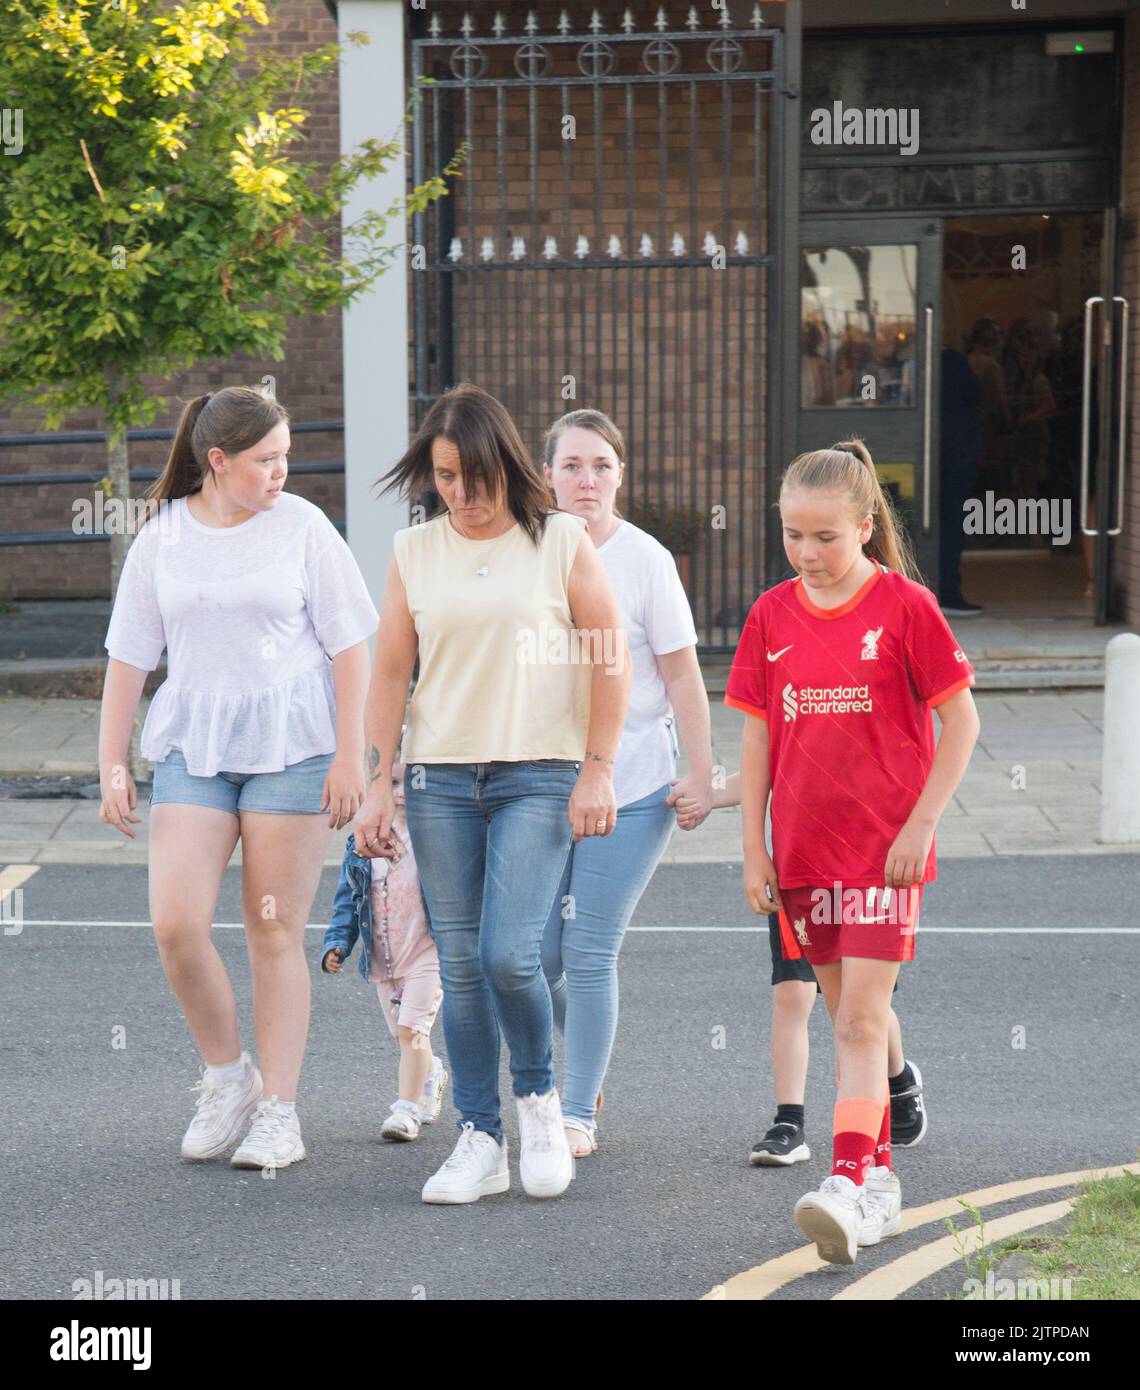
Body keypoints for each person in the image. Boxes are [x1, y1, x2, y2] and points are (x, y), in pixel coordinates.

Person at [354, 383, 630, 1205]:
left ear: (505, 465)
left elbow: (609, 655)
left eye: (472, 475)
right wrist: (378, 780)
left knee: (511, 953)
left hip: (538, 775)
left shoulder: (561, 542)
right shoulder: (415, 552)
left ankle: (538, 1103)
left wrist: (600, 767)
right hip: (439, 779)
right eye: (443, 477)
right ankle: (478, 1134)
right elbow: (391, 672)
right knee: (464, 966)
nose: (460, 493)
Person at [98, 385, 379, 1169]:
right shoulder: (164, 537)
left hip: (294, 750)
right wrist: (111, 759)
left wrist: (353, 755)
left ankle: (280, 1114)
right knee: (176, 924)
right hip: (196, 747)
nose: (282, 471)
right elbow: (128, 653)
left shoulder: (304, 528)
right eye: (267, 460)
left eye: (287, 456)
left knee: (272, 931)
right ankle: (229, 1077)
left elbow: (352, 645)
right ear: (217, 461)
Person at [724, 438, 979, 1264]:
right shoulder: (769, 616)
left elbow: (963, 723)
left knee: (865, 1017)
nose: (808, 553)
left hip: (883, 855)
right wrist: (755, 851)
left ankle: (841, 1181)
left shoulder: (906, 608)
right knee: (846, 1020)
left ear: (866, 527)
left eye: (826, 536)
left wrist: (922, 824)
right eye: (794, 535)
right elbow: (757, 744)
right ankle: (879, 1189)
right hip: (800, 855)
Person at [540, 408, 709, 1157]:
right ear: (547, 475)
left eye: (602, 465)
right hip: (539, 786)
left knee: (588, 951)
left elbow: (682, 675)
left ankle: (576, 1110)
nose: (587, 479)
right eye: (573, 464)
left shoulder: (646, 560)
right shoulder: (526, 549)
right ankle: (584, 1065)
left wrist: (701, 772)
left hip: (633, 785)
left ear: (621, 474)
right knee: (529, 956)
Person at [673, 772, 928, 1167]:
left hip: (865, 864)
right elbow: (770, 764)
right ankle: (789, 1121)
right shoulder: (788, 713)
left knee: (858, 1007)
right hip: (800, 868)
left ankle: (896, 1079)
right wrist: (708, 794)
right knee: (793, 991)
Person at [321, 744, 447, 1142]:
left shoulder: (438, 837)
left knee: (412, 1029)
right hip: (385, 959)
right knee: (404, 1036)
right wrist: (338, 942)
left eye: (409, 781)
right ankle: (432, 1073)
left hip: (429, 952)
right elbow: (349, 898)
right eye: (391, 781)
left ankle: (405, 1110)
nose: (399, 792)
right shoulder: (364, 841)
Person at [938, 344, 984, 616]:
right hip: (957, 453)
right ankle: (948, 592)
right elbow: (975, 393)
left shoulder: (891, 360)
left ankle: (943, 591)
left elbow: (868, 394)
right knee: (952, 523)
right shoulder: (952, 359)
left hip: (939, 452)